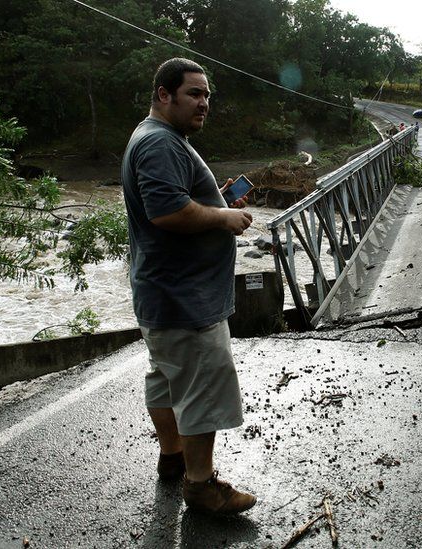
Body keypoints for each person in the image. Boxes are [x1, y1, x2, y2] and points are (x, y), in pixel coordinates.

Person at [121, 57, 256, 514]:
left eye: (207, 96)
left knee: (166, 377)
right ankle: (201, 485)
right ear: (164, 94)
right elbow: (167, 213)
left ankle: (173, 458)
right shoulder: (160, 143)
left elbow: (172, 199)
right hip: (184, 296)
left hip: (163, 292)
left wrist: (213, 197)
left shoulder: (157, 138)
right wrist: (224, 216)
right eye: (194, 94)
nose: (204, 103)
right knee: (202, 384)